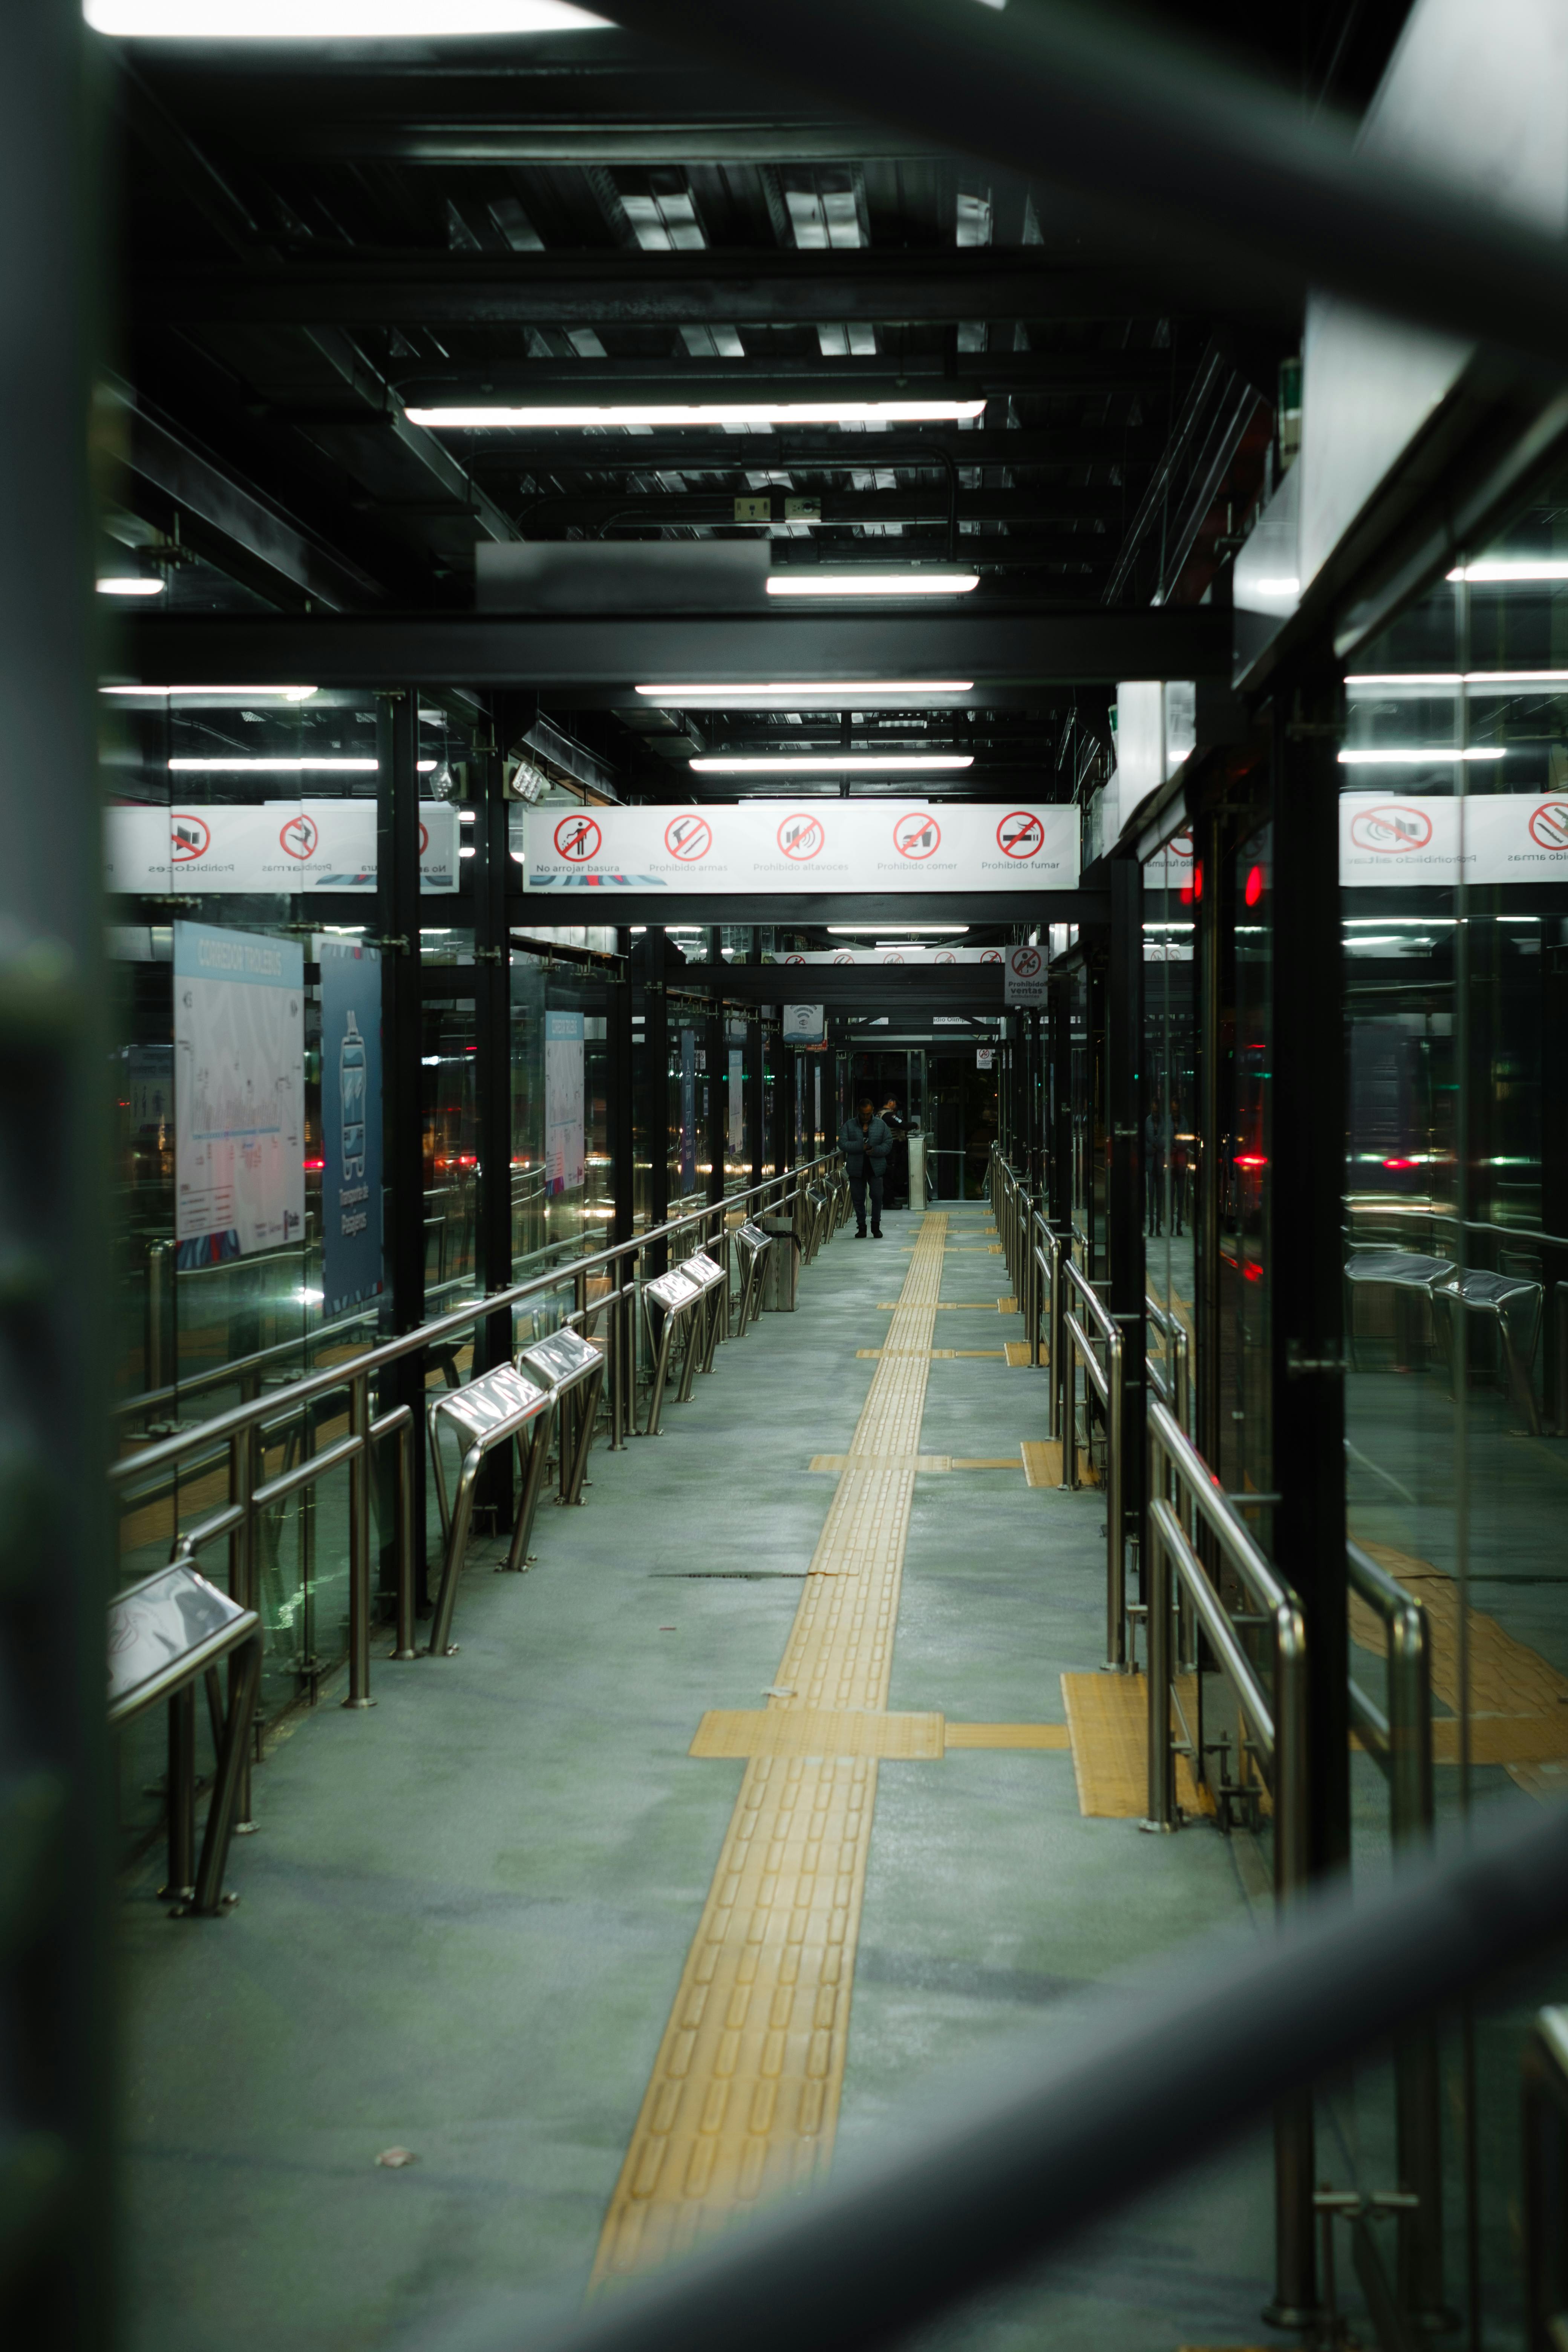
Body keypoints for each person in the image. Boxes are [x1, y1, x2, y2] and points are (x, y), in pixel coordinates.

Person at [839, 1097, 893, 1238]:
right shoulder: (850, 1126)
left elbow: (888, 1144)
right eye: (863, 1113)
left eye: (868, 1114)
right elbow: (842, 1144)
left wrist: (874, 1150)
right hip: (857, 1168)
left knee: (877, 1197)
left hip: (876, 1168)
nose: (866, 1116)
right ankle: (861, 1226)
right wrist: (860, 1147)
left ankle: (876, 1226)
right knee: (858, 1198)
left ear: (872, 1111)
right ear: (858, 1111)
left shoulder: (881, 1126)